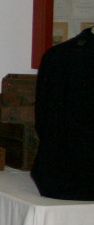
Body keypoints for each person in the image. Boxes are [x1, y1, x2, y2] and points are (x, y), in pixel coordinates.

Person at [30, 27, 94, 200]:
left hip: (62, 181)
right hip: (67, 183)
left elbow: (42, 123)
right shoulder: (60, 58)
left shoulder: (57, 56)